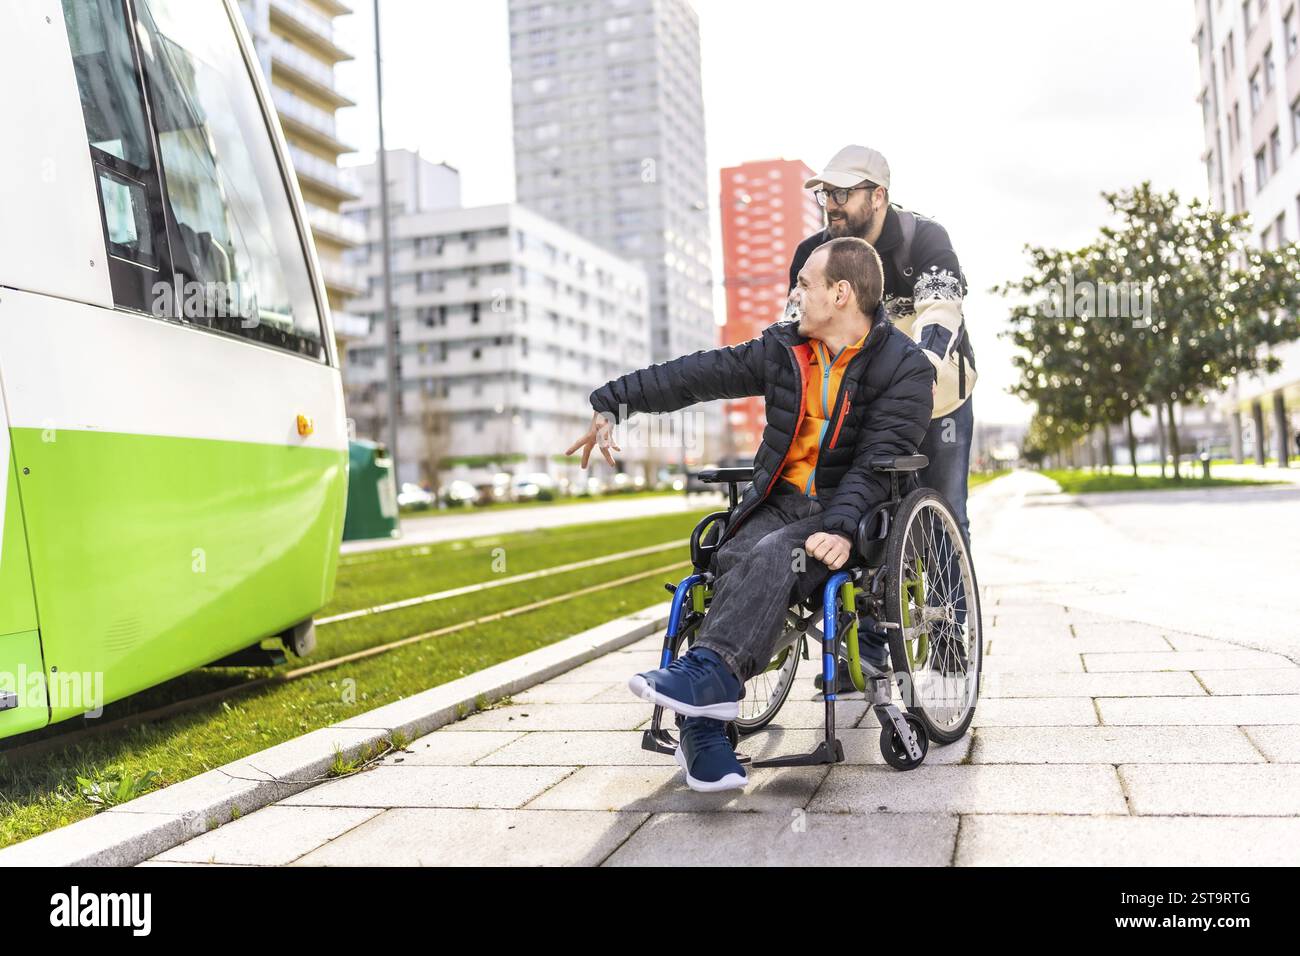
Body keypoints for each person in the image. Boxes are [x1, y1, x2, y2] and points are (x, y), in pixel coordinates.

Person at [565, 238, 934, 791]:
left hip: (849, 511)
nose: (794, 294)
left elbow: (877, 463)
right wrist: (612, 401)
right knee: (732, 555)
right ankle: (707, 731)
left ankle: (706, 682)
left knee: (774, 555)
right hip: (777, 499)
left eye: (804, 284)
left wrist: (839, 526)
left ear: (840, 293)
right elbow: (697, 374)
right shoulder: (784, 350)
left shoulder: (904, 368)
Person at [789, 145, 976, 546]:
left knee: (946, 517)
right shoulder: (812, 255)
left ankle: (953, 610)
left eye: (842, 194)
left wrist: (920, 370)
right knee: (867, 520)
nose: (831, 206)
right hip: (864, 405)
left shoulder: (924, 238)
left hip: (939, 401)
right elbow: (797, 330)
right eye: (826, 195)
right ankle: (881, 609)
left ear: (878, 196)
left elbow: (940, 312)